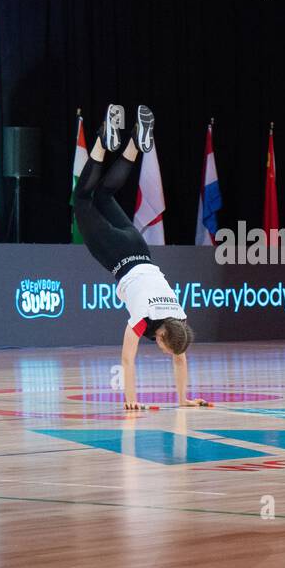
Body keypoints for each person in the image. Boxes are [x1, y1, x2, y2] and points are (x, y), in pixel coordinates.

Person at [74, 104, 206, 410]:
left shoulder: (179, 317)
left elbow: (180, 360)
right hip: (118, 255)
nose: (165, 352)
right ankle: (102, 142)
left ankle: (134, 141)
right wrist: (131, 402)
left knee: (105, 195)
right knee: (82, 199)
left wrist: (183, 399)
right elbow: (127, 360)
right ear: (161, 335)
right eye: (162, 346)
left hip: (139, 248)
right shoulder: (144, 320)